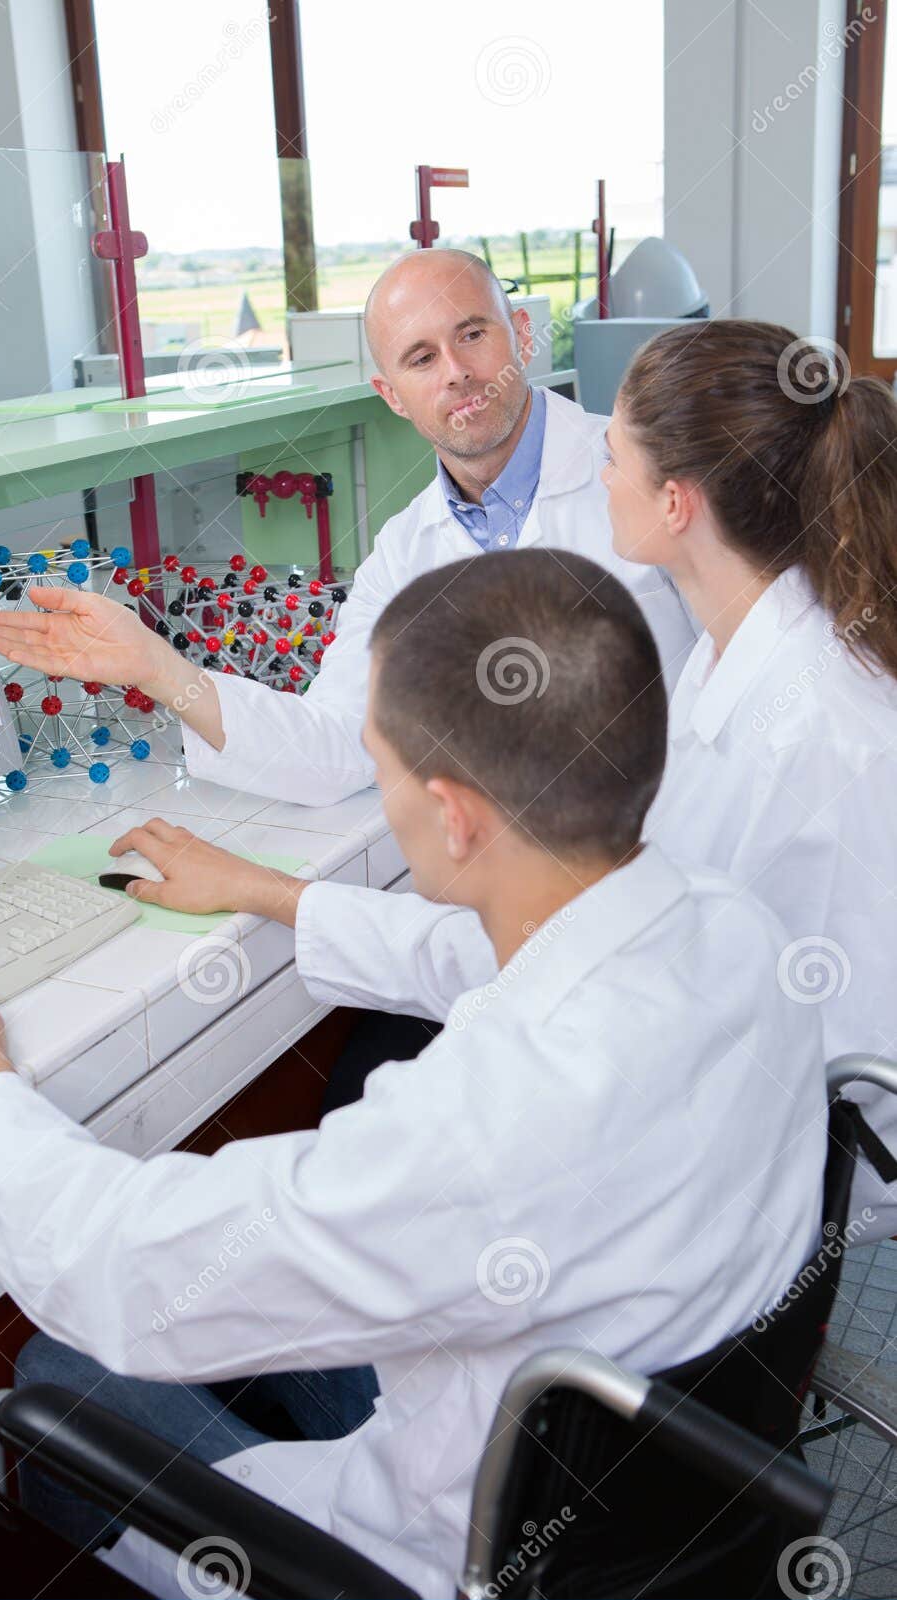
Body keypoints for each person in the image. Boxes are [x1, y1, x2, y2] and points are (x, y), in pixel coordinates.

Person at [0, 552, 825, 1600]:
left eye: (381, 758)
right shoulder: (729, 927)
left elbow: (108, 1265)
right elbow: (495, 952)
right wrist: (268, 891)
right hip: (640, 1477)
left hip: (431, 1567)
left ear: (452, 815)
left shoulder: (477, 1128)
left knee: (56, 1383)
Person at [173, 321, 897, 1236]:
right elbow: (591, 949)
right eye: (422, 355)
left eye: (615, 458)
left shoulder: (806, 730)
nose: (597, 470)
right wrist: (274, 894)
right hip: (752, 1129)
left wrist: (277, 898)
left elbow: (575, 965)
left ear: (675, 504)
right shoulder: (752, 662)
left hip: (775, 1176)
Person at [0, 249, 697, 808]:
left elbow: (759, 691)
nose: (455, 372)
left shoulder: (651, 473)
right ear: (391, 396)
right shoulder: (406, 554)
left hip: (693, 871)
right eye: (419, 358)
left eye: (472, 334)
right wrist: (158, 669)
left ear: (523, 335)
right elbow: (338, 746)